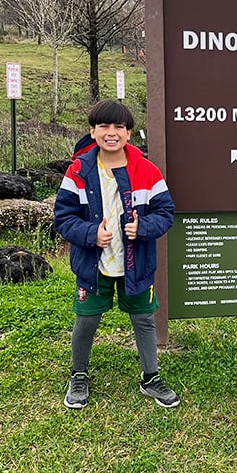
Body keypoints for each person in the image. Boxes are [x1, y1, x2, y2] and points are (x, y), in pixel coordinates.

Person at [54, 100, 180, 410]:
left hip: (136, 264)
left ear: (129, 133)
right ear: (92, 131)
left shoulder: (147, 171)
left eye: (119, 127)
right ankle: (79, 375)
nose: (112, 133)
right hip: (93, 264)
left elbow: (166, 212)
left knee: (144, 319)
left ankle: (151, 377)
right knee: (86, 321)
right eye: (104, 126)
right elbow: (63, 216)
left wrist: (144, 228)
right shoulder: (79, 171)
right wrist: (90, 234)